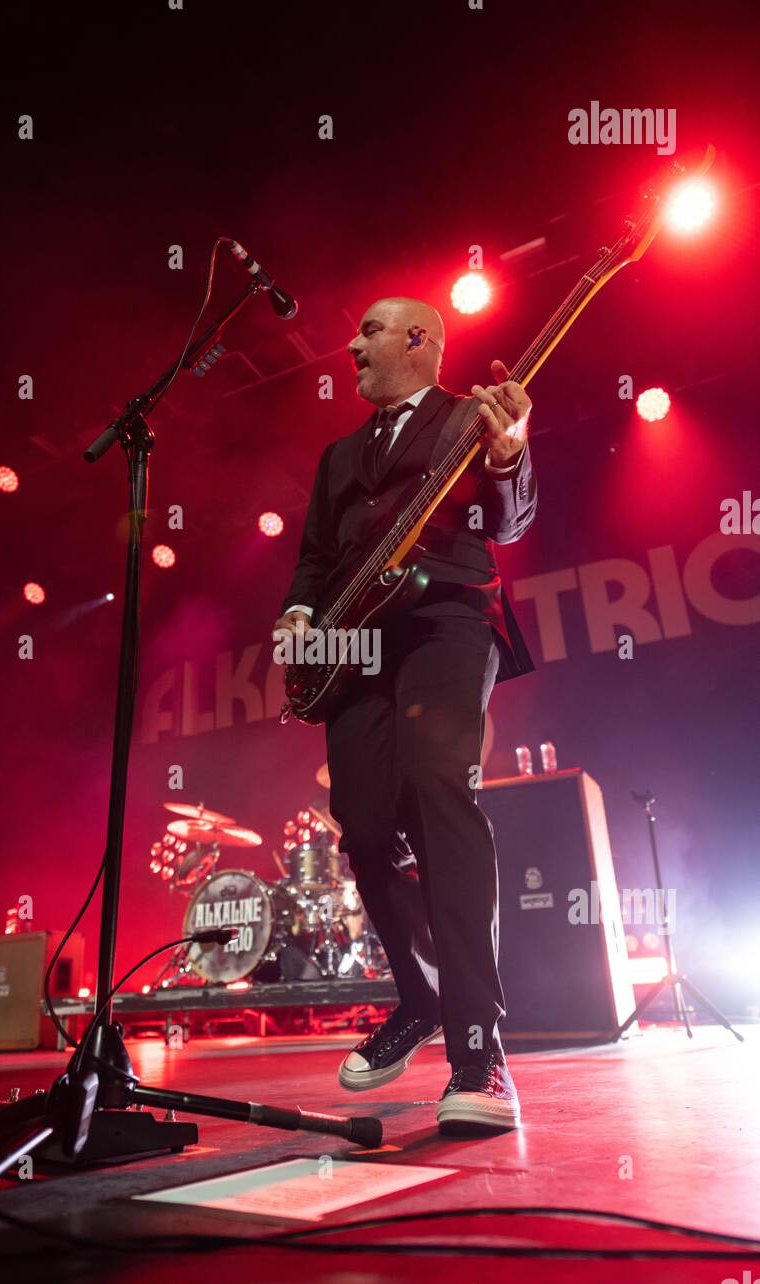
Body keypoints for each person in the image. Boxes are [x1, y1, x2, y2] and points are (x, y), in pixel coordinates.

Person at [273, 297, 536, 1132]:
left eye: (368, 332)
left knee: (436, 789)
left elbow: (510, 518)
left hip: (446, 621)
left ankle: (477, 1051)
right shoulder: (337, 455)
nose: (349, 345)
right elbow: (315, 559)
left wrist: (508, 454)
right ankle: (418, 995)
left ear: (419, 340)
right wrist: (298, 617)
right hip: (354, 649)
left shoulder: (471, 415)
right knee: (359, 818)